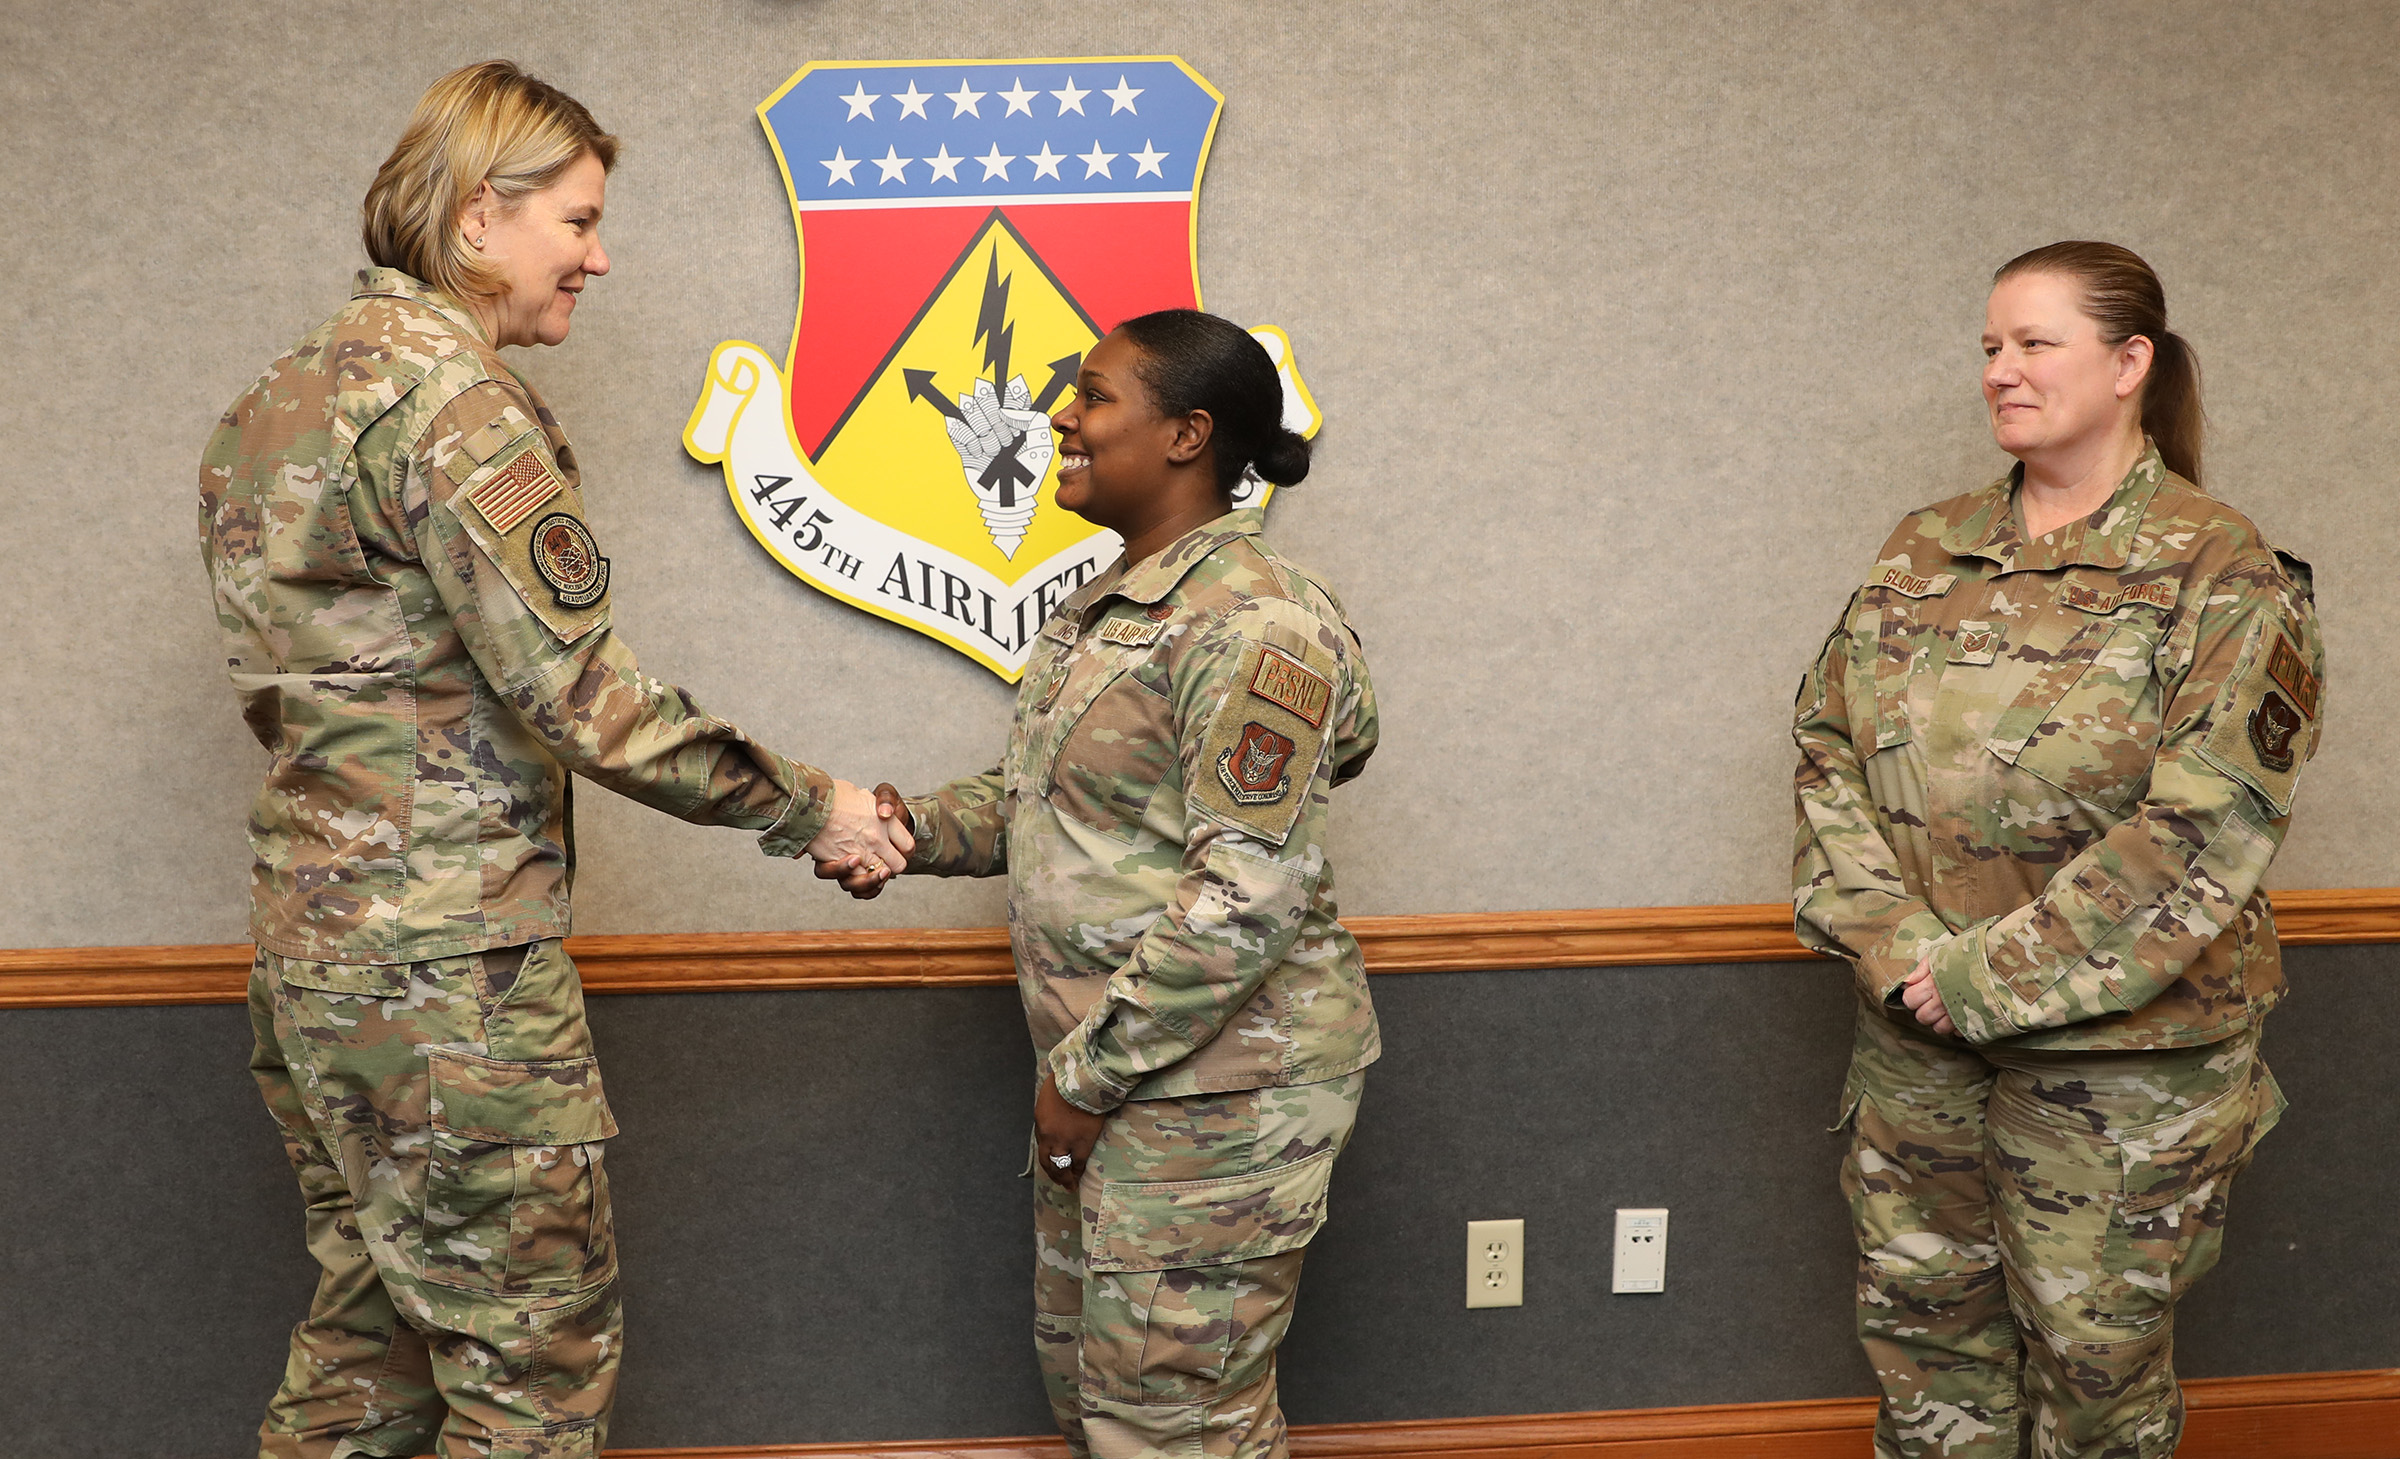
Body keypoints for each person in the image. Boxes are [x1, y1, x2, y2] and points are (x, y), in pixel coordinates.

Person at [197, 61, 906, 1459]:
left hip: (314, 957)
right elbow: (587, 698)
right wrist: (812, 805)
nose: (597, 253)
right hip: (449, 979)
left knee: (366, 1354)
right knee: (532, 1372)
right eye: (575, 220)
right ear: (476, 221)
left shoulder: (273, 401)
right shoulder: (457, 411)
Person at [1793, 241, 2325, 1458]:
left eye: (2035, 343)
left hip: (2120, 1064)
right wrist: (1903, 950)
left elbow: (2204, 830)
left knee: (2096, 1377)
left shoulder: (2222, 569)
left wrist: (1983, 976)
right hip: (1915, 1037)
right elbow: (1827, 746)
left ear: (2131, 361)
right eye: (1991, 346)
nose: (2001, 372)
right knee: (1929, 1354)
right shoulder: (1925, 547)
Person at [868, 309, 1378, 1458]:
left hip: (1214, 1099)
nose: (1063, 418)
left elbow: (1244, 898)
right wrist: (894, 827)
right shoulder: (1105, 608)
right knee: (1096, 1394)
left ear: (1190, 433)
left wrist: (1084, 1080)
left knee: (1177, 1421)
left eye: (1095, 397)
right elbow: (1041, 804)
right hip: (1117, 1082)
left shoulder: (1258, 625)